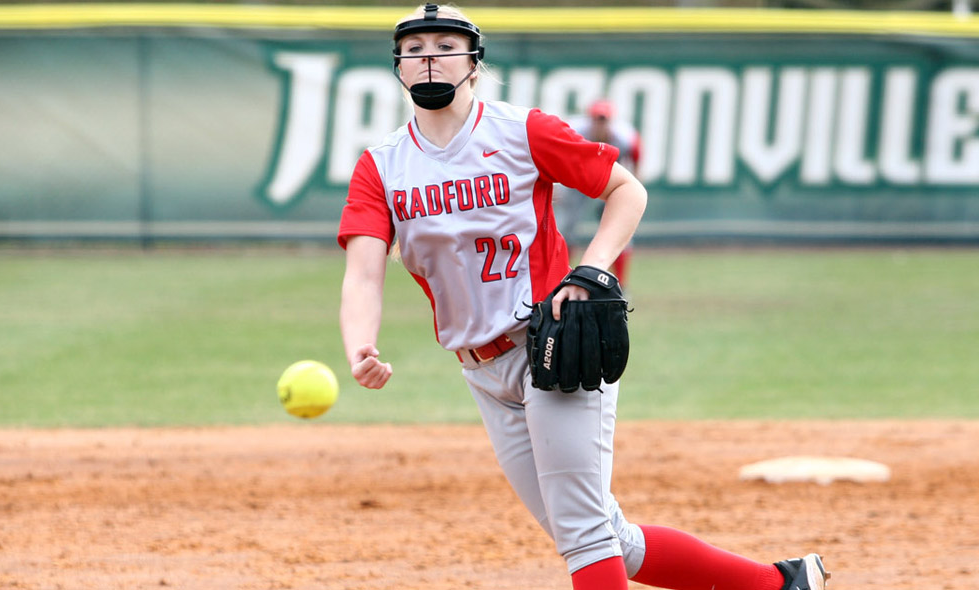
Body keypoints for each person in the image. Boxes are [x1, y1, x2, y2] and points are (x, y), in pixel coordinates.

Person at [337, 4, 830, 590]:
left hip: (552, 346)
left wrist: (589, 271)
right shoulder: (382, 166)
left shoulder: (520, 130)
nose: (429, 59)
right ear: (398, 64)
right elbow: (364, 272)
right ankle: (783, 583)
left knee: (584, 534)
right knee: (604, 536)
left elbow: (626, 190)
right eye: (416, 49)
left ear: (473, 62)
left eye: (445, 45)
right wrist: (360, 344)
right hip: (480, 369)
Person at [553, 99, 641, 287]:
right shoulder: (573, 129)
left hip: (609, 180)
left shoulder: (625, 136)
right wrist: (556, 186)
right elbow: (554, 156)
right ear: (589, 118)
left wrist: (631, 188)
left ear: (611, 120)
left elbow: (635, 158)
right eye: (597, 119)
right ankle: (562, 279)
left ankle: (620, 285)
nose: (600, 123)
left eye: (604, 119)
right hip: (575, 179)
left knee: (620, 229)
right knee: (565, 230)